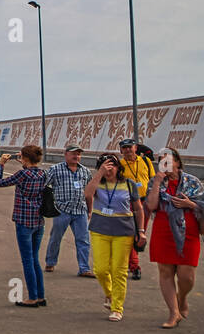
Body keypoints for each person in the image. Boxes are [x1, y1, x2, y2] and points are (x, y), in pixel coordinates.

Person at [146, 148, 204, 328]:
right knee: (165, 272)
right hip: (163, 231)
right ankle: (173, 313)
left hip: (188, 233)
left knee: (186, 276)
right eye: (160, 160)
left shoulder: (192, 181)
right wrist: (158, 182)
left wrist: (189, 204)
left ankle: (181, 298)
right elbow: (151, 205)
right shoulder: (156, 181)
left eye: (167, 160)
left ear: (177, 162)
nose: (163, 163)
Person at [85, 152, 144, 322]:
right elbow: (88, 195)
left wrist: (140, 230)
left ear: (119, 167)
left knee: (119, 271)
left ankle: (117, 307)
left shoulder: (129, 184)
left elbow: (138, 209)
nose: (109, 169)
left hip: (123, 231)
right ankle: (110, 294)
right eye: (104, 166)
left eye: (112, 165)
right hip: (99, 229)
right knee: (101, 270)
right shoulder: (98, 182)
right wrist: (99, 174)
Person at [0, 145, 47, 308]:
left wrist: (1, 164)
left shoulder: (23, 174)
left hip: (24, 220)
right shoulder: (42, 173)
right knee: (35, 259)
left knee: (27, 260)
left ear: (25, 158)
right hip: (38, 220)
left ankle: (32, 297)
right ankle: (40, 295)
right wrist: (24, 161)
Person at [44, 144, 94, 277]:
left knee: (83, 240)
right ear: (65, 154)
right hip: (61, 210)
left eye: (78, 154)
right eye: (73, 153)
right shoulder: (55, 169)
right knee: (56, 238)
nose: (76, 156)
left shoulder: (85, 171)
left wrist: (89, 210)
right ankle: (50, 262)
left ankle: (84, 268)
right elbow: (44, 186)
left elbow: (89, 193)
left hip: (80, 210)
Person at [119, 137, 155, 281]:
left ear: (135, 148)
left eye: (130, 147)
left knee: (140, 234)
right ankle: (135, 266)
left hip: (145, 202)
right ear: (121, 150)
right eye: (124, 148)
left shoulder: (145, 161)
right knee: (131, 233)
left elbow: (152, 181)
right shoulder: (119, 165)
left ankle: (130, 261)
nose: (128, 150)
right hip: (128, 203)